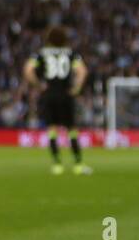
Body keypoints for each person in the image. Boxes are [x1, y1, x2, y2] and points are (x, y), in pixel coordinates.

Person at [24, 26, 91, 175]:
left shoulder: (41, 53)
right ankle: (78, 164)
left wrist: (38, 85)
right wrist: (77, 88)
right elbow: (82, 71)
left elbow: (28, 70)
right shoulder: (71, 53)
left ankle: (57, 165)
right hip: (66, 94)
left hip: (49, 94)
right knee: (72, 129)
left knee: (52, 129)